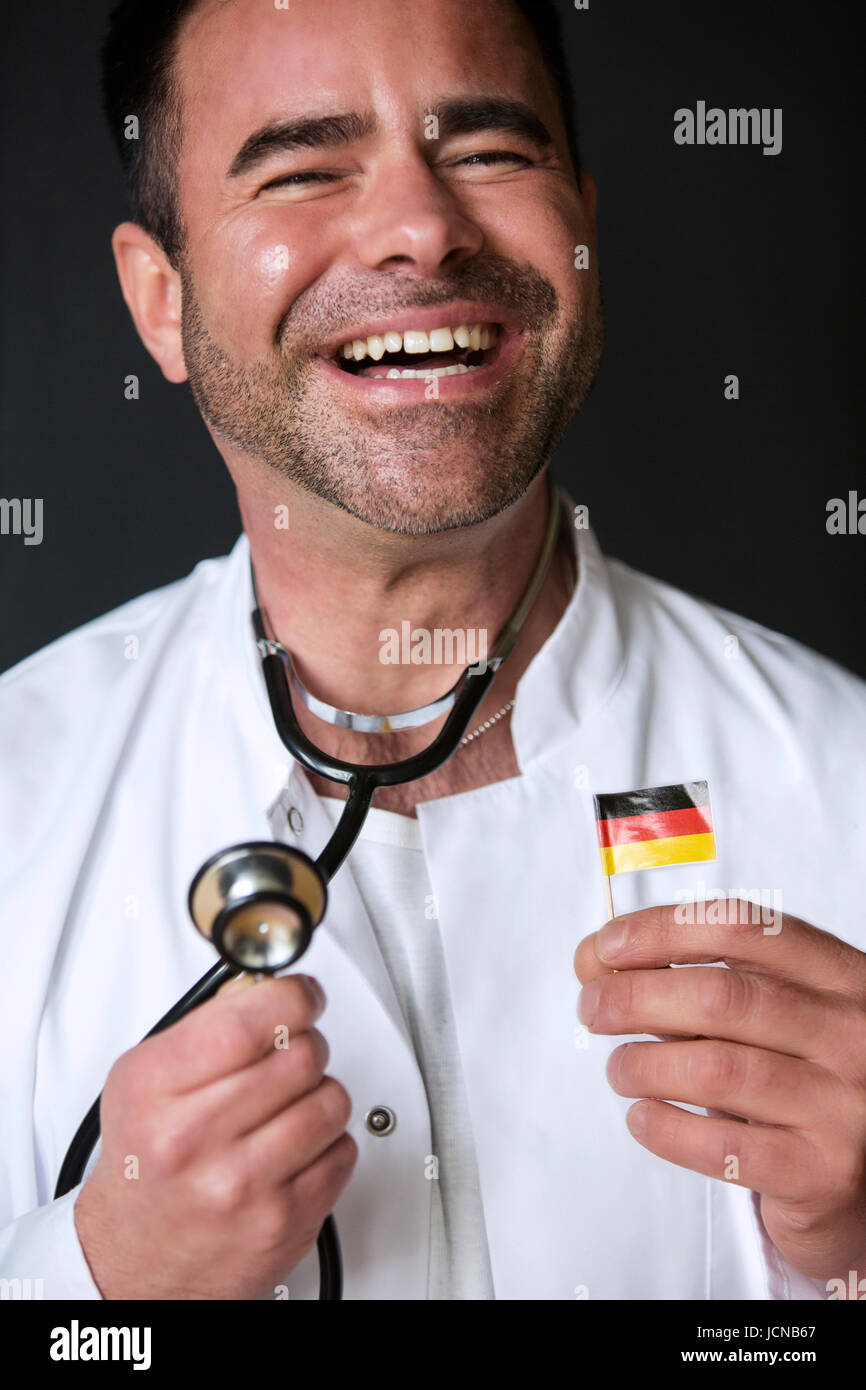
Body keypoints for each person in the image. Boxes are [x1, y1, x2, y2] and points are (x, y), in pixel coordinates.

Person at [1, 0, 864, 1302]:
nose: (421, 227)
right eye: (302, 167)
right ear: (160, 301)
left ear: (580, 222)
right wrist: (94, 1283)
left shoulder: (843, 785)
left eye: (487, 151)